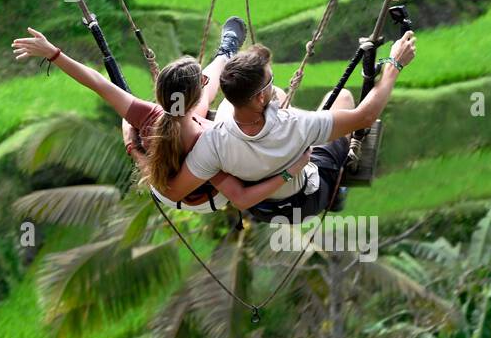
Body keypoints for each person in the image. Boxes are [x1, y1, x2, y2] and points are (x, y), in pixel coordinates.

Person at [11, 19, 309, 213]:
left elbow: (97, 82)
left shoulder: (151, 113)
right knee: (266, 100)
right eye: (202, 81)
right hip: (204, 198)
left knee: (203, 105)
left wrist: (53, 53)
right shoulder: (210, 140)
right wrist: (289, 169)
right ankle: (225, 54)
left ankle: (226, 52)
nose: (205, 83)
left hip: (171, 186)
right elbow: (241, 196)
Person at [162, 32, 417, 222]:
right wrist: (394, 65)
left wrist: (215, 172)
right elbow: (365, 116)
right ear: (260, 97)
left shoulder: (212, 142)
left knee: (283, 96)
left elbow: (173, 191)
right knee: (342, 99)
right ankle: (337, 190)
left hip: (261, 210)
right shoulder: (297, 126)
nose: (272, 87)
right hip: (308, 199)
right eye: (269, 82)